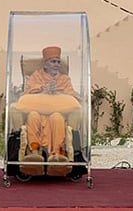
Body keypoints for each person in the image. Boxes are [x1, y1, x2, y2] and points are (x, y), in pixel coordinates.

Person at [12, 45, 81, 176]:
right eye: (53, 61)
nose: (56, 64)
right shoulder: (36, 76)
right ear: (45, 64)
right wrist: (43, 89)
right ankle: (34, 153)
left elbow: (72, 95)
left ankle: (58, 154)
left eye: (58, 62)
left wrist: (58, 92)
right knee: (32, 115)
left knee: (57, 118)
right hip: (38, 111)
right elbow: (27, 93)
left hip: (57, 112)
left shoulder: (64, 79)